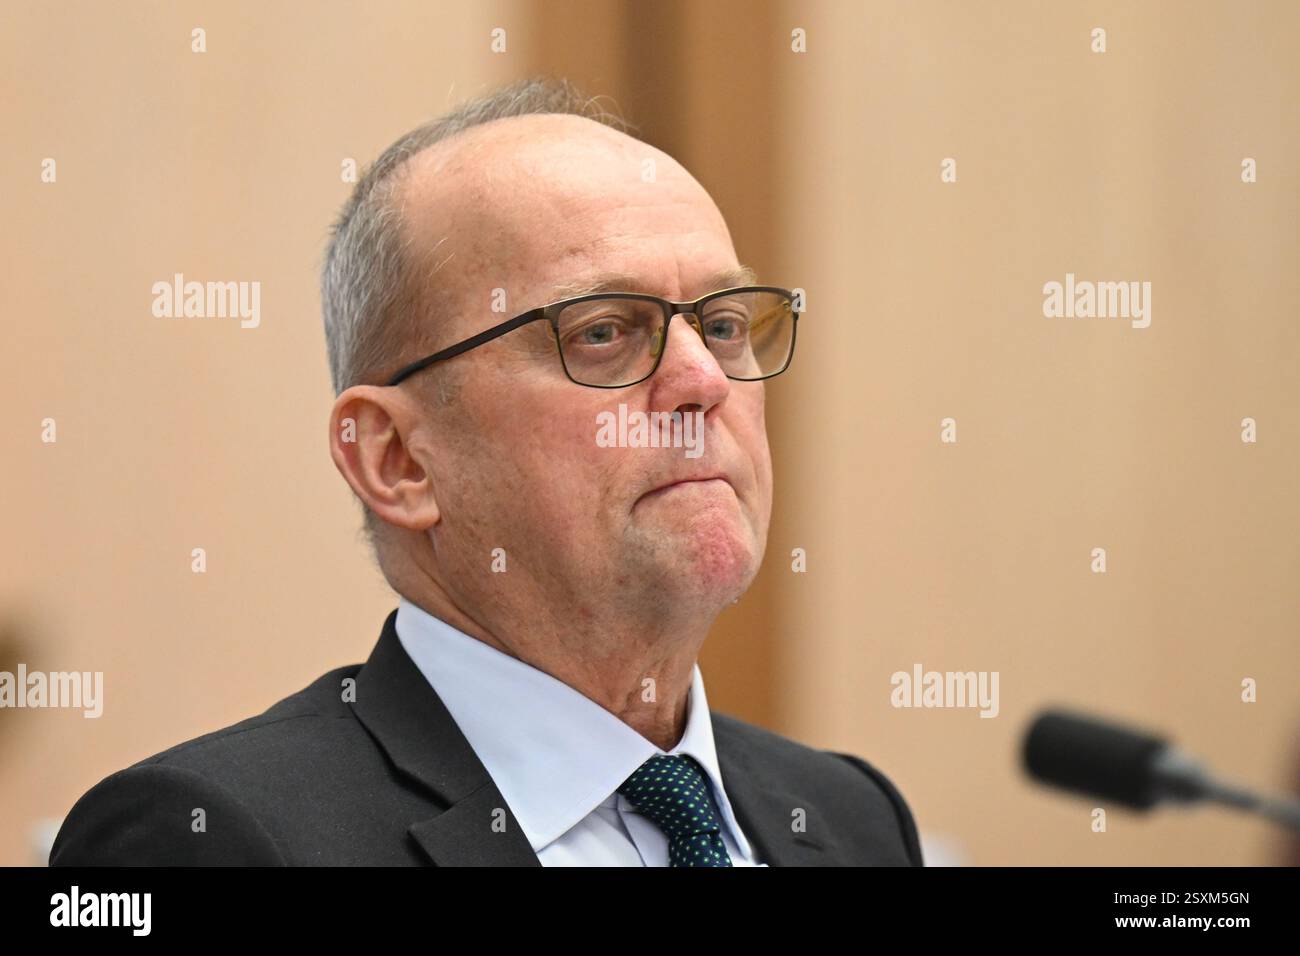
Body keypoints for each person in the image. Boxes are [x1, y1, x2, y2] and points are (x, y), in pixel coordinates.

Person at [49, 77, 921, 866]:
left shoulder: (851, 821)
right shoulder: (209, 840)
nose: (702, 382)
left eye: (723, 323)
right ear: (396, 460)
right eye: (603, 332)